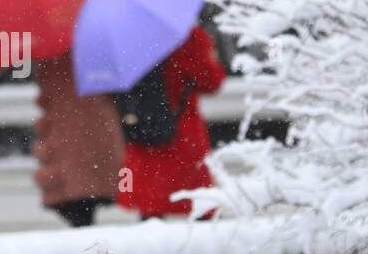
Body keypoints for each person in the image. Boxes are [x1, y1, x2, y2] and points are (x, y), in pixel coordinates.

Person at [115, 26, 226, 219]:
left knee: (150, 204)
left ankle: (152, 245)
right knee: (199, 200)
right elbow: (211, 82)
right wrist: (213, 59)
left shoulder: (132, 37)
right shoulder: (189, 37)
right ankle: (207, 246)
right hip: (181, 128)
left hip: (144, 125)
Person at [30, 54, 126, 227]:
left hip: (65, 137)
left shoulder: (51, 56)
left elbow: (45, 96)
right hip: (99, 133)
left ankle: (84, 245)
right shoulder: (98, 54)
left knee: (75, 204)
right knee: (88, 196)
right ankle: (88, 244)